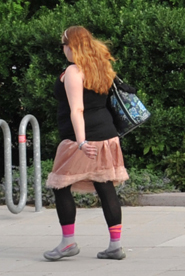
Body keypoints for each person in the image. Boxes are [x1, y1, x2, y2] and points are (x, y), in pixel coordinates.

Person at [44, 26, 129, 262]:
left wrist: (81, 142)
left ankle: (68, 242)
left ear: (71, 46)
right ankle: (115, 245)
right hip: (108, 134)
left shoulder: (73, 71)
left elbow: (77, 109)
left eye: (63, 45)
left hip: (81, 138)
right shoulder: (101, 66)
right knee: (105, 186)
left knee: (60, 185)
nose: (63, 50)